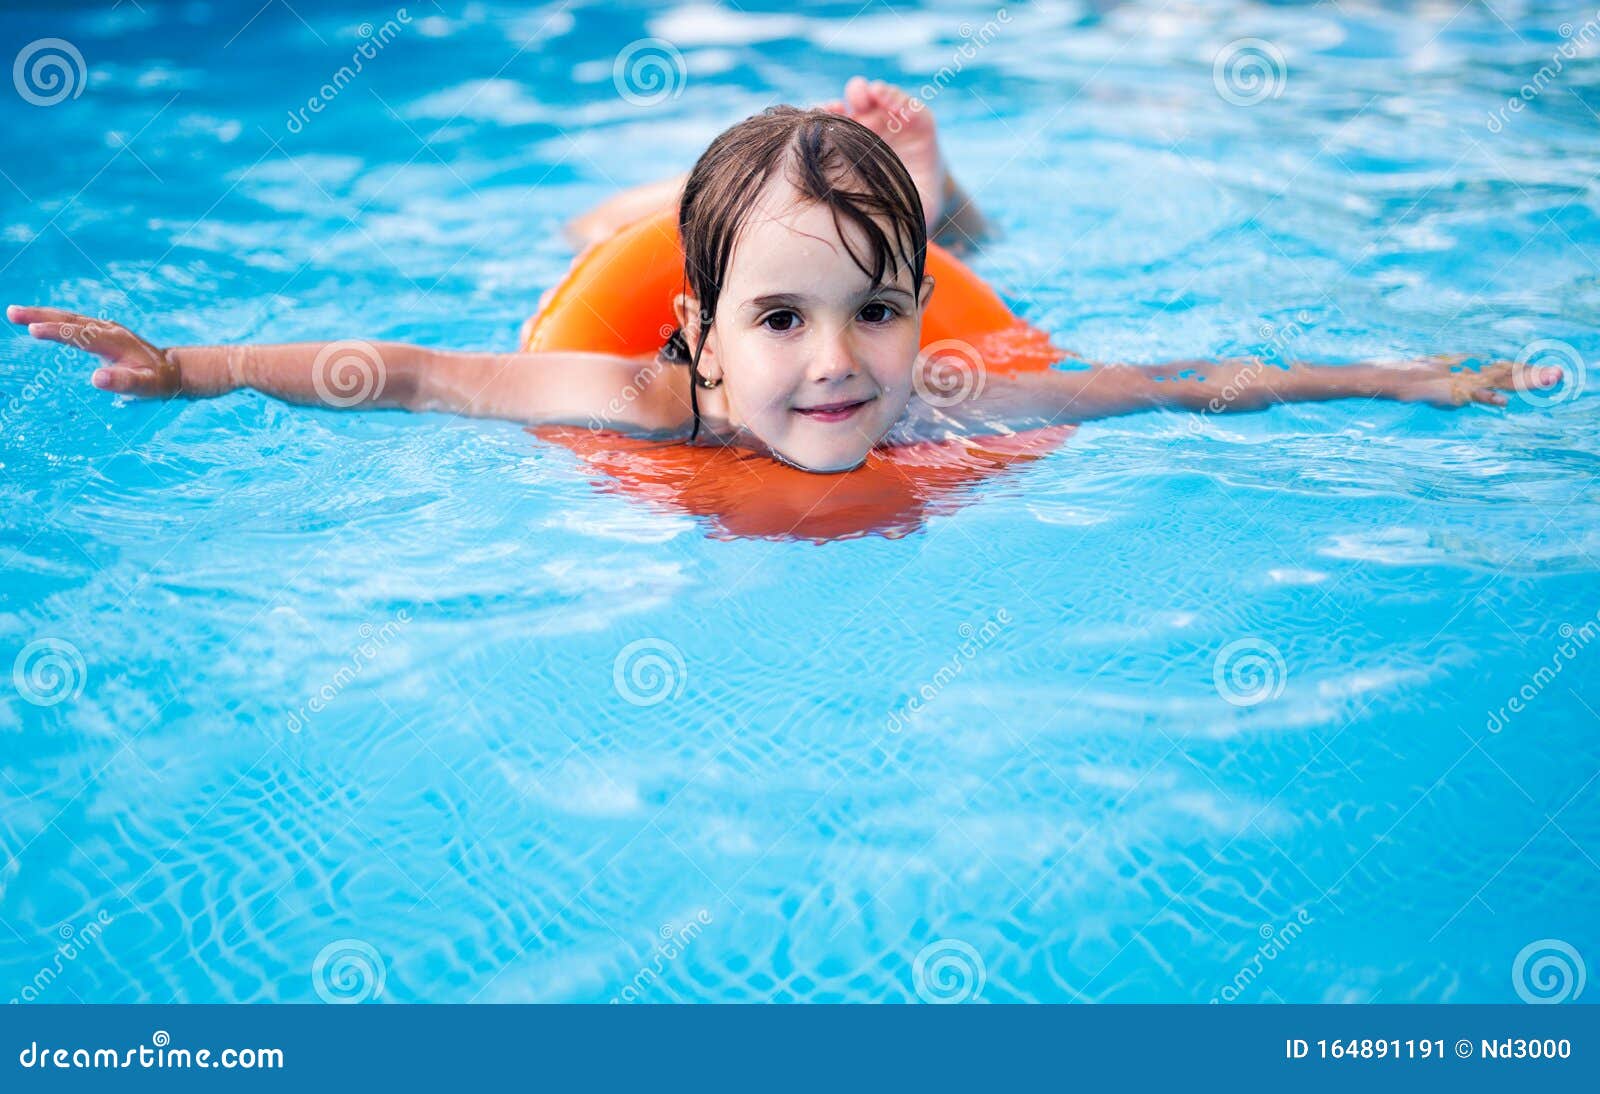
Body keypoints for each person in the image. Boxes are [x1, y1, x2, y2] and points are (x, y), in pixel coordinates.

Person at [9, 77, 1563, 482]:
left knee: (920, 256)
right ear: (696, 335)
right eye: (779, 321)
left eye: (878, 312)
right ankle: (883, 201)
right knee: (591, 242)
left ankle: (942, 210)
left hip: (894, 251)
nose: (839, 364)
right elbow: (411, 370)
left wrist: (1419, 379)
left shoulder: (948, 389)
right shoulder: (642, 396)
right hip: (643, 273)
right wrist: (187, 363)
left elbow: (1194, 383)